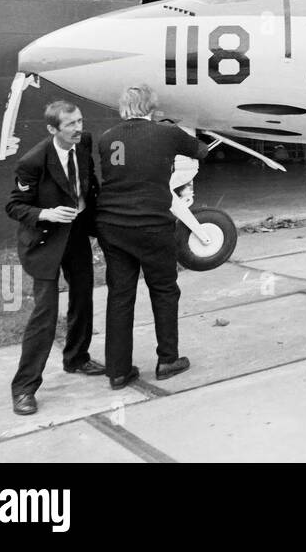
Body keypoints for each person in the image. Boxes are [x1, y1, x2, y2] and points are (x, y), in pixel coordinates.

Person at [96, 85, 207, 389]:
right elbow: (201, 151)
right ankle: (168, 359)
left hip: (113, 225)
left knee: (120, 296)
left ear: (124, 107)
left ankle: (118, 371)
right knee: (164, 290)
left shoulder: (107, 139)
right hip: (152, 225)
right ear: (152, 108)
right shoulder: (165, 134)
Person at [5, 101, 104, 415]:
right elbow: (15, 206)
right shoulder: (32, 161)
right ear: (52, 129)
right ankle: (24, 388)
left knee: (83, 299)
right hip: (45, 240)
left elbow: (89, 183)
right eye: (70, 124)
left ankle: (77, 358)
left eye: (79, 121)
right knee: (45, 315)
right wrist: (45, 213)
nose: (78, 128)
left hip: (75, 235)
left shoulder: (83, 142)